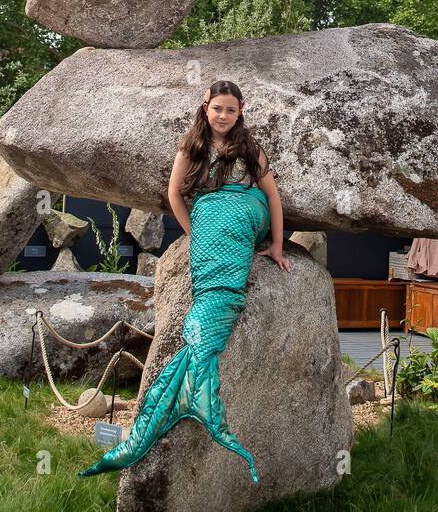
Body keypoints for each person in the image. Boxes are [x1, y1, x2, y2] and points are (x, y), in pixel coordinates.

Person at [77, 79, 291, 485]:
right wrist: (194, 232)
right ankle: (194, 379)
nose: (223, 116)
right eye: (217, 108)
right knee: (212, 212)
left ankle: (201, 358)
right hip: (211, 216)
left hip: (249, 210)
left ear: (240, 110)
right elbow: (175, 193)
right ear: (205, 107)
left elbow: (273, 195)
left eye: (231, 109)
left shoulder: (250, 148)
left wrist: (278, 246)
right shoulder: (191, 147)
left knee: (228, 210)